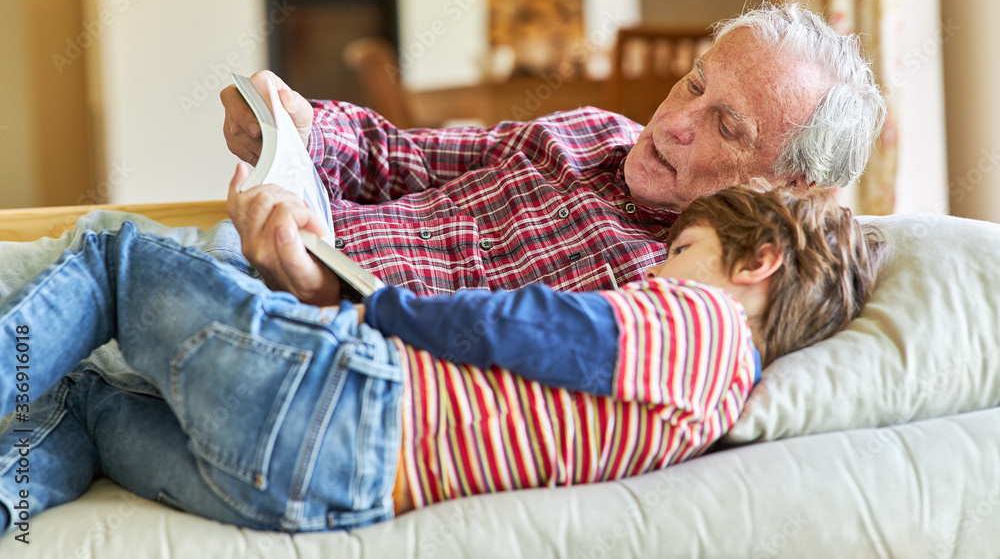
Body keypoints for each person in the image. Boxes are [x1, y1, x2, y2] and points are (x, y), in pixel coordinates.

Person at [0, 186, 888, 534]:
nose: (657, 269)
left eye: (680, 247)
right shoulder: (713, 408)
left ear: (758, 258)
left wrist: (377, 301)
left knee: (115, 257)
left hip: (342, 399)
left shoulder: (703, 329)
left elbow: (534, 326)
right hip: (325, 494)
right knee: (95, 406)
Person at [221, 2, 887, 305]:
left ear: (789, 187)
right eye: (694, 82)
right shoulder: (590, 131)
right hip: (258, 242)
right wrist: (303, 130)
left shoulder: (672, 287)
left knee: (124, 267)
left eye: (726, 127)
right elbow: (403, 156)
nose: (675, 120)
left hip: (305, 317)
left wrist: (325, 294)